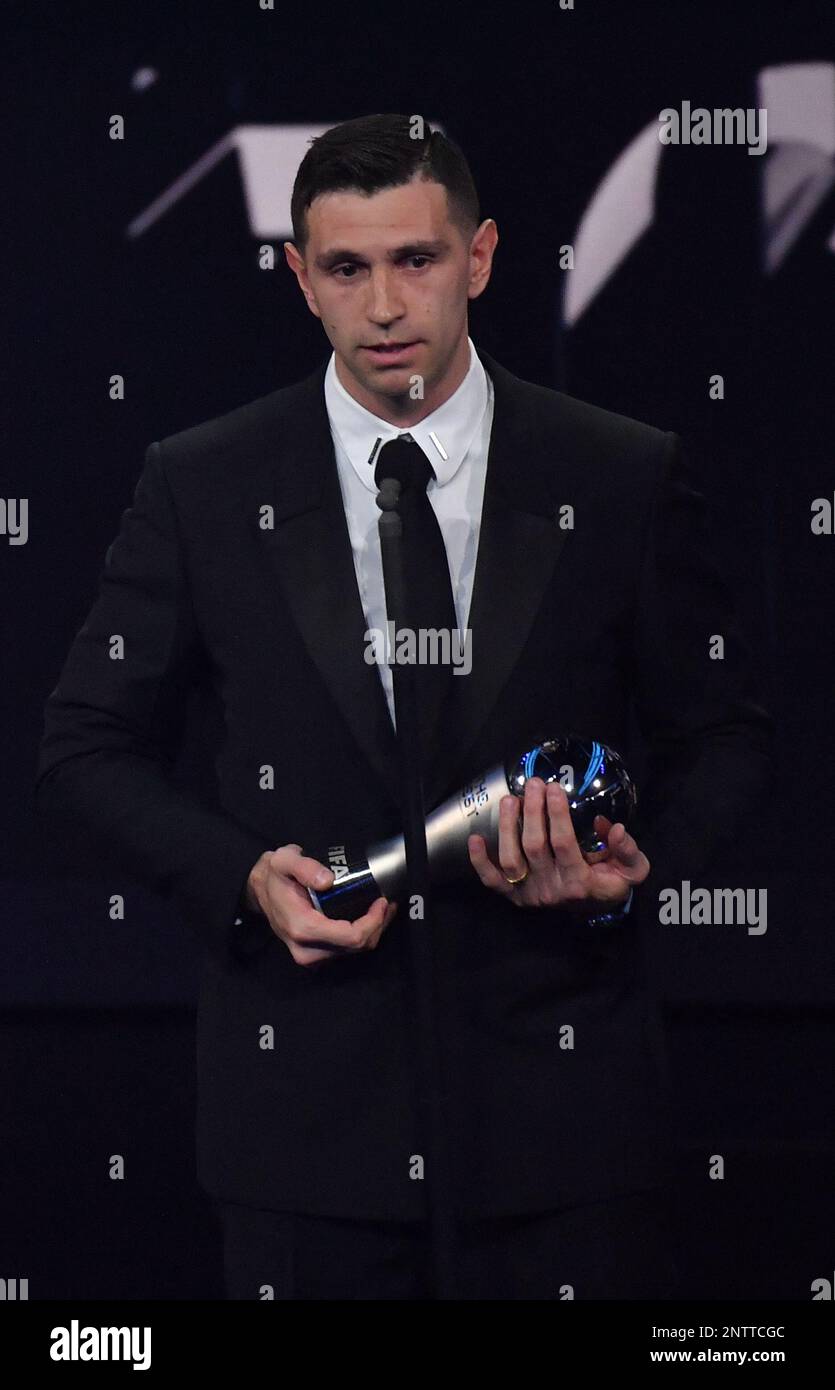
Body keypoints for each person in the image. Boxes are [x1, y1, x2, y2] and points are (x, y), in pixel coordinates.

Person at [35, 112, 773, 1299]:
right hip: (304, 1138)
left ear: (477, 259)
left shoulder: (618, 471)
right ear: (301, 280)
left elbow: (726, 735)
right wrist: (241, 877)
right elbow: (83, 746)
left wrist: (627, 873)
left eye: (415, 261)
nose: (386, 306)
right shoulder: (205, 484)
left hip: (563, 1126)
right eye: (347, 268)